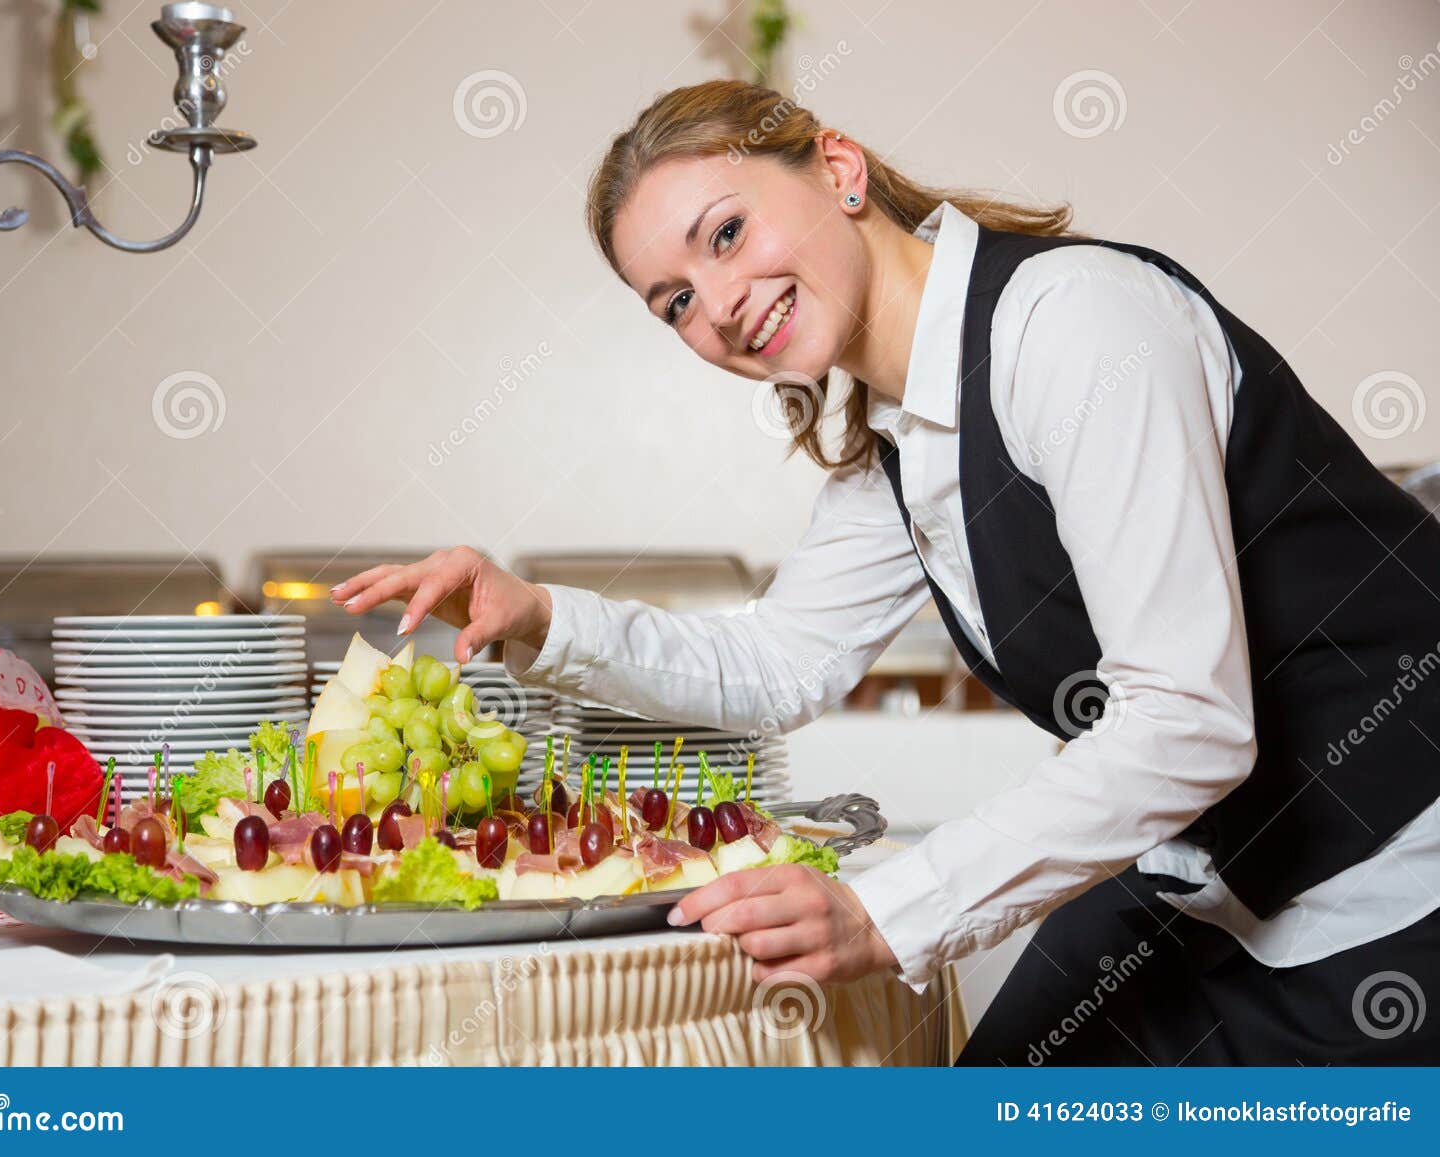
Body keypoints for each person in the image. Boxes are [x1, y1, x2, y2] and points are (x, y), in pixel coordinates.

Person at [332, 80, 1440, 1064]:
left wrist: (880, 912)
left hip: (1391, 882)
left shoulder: (1075, 324)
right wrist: (535, 615)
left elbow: (1189, 722)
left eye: (726, 233)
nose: (715, 305)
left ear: (838, 169)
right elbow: (776, 664)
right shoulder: (897, 443)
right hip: (1203, 887)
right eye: (671, 299)